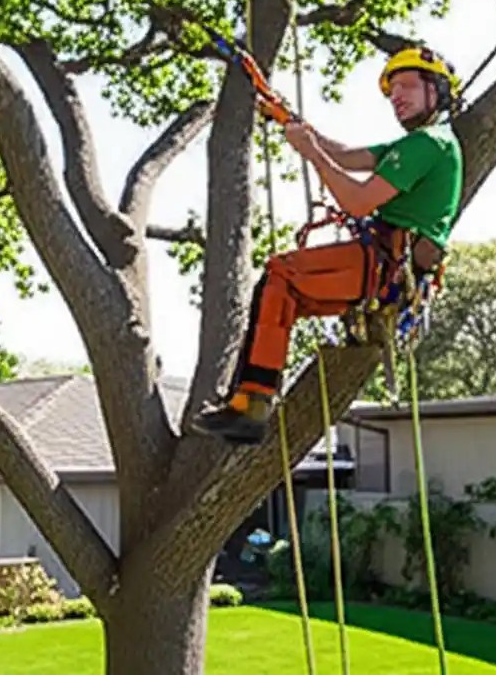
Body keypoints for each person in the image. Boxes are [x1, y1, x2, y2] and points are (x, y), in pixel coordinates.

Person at [186, 44, 465, 445]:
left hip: (384, 266)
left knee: (281, 273)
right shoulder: (417, 144)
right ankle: (251, 403)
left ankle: (252, 404)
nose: (397, 97)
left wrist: (310, 152)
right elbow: (346, 156)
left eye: (406, 85)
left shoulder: (431, 144)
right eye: (392, 92)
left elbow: (356, 200)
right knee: (281, 292)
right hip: (383, 268)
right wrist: (291, 121)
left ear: (436, 90)